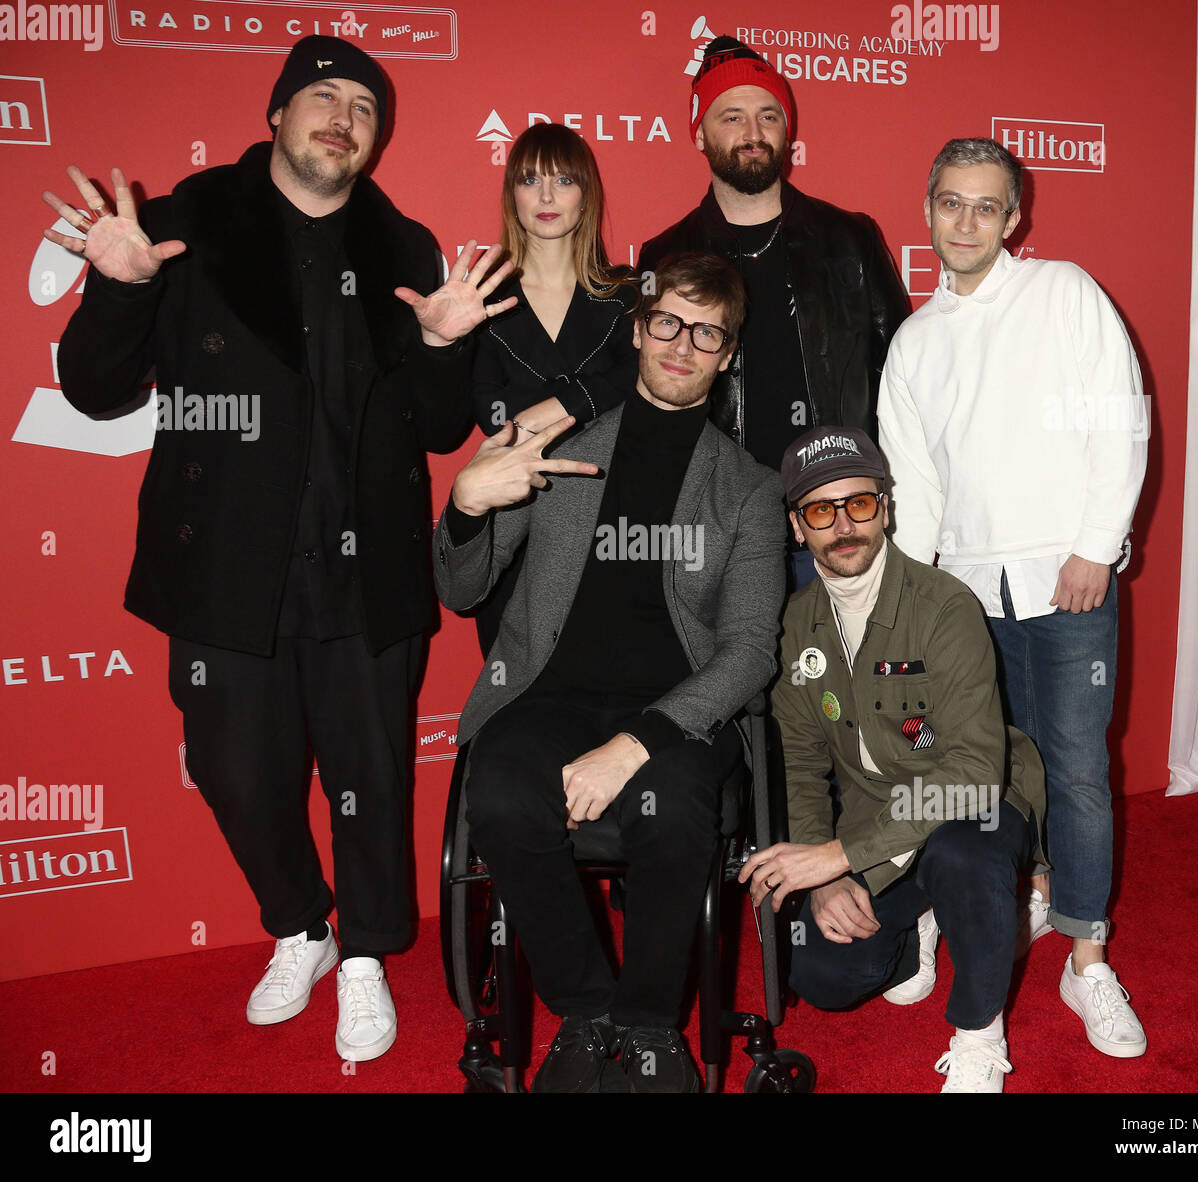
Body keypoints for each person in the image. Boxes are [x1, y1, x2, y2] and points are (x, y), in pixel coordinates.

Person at [43, 35, 514, 1063]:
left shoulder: (406, 249)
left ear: (377, 141)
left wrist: (444, 346)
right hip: (225, 566)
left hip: (365, 565)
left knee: (371, 775)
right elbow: (90, 387)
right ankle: (301, 926)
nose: (342, 116)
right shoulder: (182, 224)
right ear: (275, 115)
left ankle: (362, 959)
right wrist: (119, 288)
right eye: (322, 97)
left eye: (364, 107)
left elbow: (438, 430)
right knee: (234, 769)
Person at [435, 252, 786, 1093]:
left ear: (727, 354)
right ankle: (587, 1014)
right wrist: (468, 502)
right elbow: (462, 588)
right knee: (504, 792)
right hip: (548, 696)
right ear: (637, 329)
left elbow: (749, 652)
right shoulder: (555, 447)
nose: (682, 345)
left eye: (707, 333)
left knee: (672, 815)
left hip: (676, 716)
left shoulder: (747, 489)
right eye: (667, 323)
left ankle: (650, 1027)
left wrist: (636, 744)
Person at [877, 137, 1149, 1058]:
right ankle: (1025, 900)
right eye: (951, 202)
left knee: (1074, 770)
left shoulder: (1064, 291)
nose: (966, 221)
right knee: (986, 773)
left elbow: (1120, 417)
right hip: (964, 595)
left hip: (1066, 579)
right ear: (928, 208)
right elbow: (912, 489)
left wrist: (1094, 547)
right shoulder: (913, 343)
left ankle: (1088, 959)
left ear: (1014, 217)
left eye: (986, 206)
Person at [741, 426, 1047, 1092]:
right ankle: (923, 923)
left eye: (859, 503)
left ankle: (979, 1034)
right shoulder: (796, 625)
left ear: (887, 508)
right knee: (824, 977)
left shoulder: (945, 606)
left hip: (979, 804)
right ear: (798, 527)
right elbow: (799, 763)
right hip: (880, 819)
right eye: (821, 510)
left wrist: (841, 856)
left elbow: (970, 774)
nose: (843, 525)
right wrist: (824, 875)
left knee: (963, 855)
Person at [638, 36, 910, 482]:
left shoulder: (851, 239)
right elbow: (648, 392)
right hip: (719, 512)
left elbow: (902, 371)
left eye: (768, 116)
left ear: (787, 130)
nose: (753, 134)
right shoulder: (664, 255)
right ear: (700, 134)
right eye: (733, 117)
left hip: (833, 507)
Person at [468, 122, 639, 653]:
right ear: (510, 195)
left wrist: (554, 406)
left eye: (563, 180)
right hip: (513, 531)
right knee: (513, 712)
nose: (545, 196)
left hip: (614, 526)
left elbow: (643, 389)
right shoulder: (481, 299)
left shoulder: (626, 293)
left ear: (586, 195)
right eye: (529, 180)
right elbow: (487, 411)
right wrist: (583, 401)